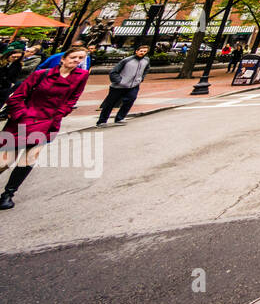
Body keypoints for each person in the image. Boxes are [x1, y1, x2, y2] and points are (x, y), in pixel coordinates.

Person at [1, 45, 90, 210]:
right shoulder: (40, 75)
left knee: (28, 159)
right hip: (24, 119)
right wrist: (22, 114)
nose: (77, 61)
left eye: (80, 58)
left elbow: (72, 99)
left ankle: (8, 194)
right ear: (63, 59)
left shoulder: (82, 75)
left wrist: (60, 114)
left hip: (48, 122)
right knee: (5, 161)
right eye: (73, 57)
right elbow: (17, 97)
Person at [96, 44, 151, 126]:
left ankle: (120, 118)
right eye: (141, 51)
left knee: (130, 100)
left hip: (134, 85)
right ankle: (102, 121)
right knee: (110, 103)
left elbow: (146, 69)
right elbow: (113, 72)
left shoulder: (146, 60)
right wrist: (120, 81)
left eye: (145, 51)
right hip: (118, 86)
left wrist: (141, 78)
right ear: (136, 51)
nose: (142, 53)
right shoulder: (127, 60)